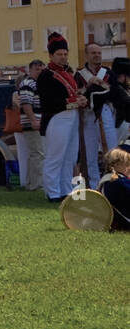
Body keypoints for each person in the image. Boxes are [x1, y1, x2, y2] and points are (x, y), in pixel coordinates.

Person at [36, 33, 87, 202]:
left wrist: (80, 98)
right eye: (59, 54)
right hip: (56, 118)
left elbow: (71, 94)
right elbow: (49, 101)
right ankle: (52, 192)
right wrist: (74, 101)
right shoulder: (46, 75)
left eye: (65, 54)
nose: (63, 57)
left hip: (70, 116)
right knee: (55, 157)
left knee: (70, 157)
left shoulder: (67, 73)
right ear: (51, 55)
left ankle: (65, 190)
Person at [77, 42, 114, 185]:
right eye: (93, 53)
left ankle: (112, 182)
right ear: (86, 55)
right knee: (90, 151)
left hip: (105, 112)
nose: (97, 55)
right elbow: (77, 93)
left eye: (99, 53)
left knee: (111, 149)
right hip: (88, 114)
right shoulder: (79, 75)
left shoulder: (108, 73)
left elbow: (114, 93)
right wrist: (89, 86)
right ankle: (94, 185)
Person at [14, 59, 45, 191]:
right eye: (37, 69)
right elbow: (26, 104)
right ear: (30, 70)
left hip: (39, 122)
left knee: (37, 154)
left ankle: (34, 182)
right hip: (33, 124)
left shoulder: (38, 84)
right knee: (37, 154)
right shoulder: (27, 84)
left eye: (42, 69)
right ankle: (36, 185)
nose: (40, 72)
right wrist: (33, 120)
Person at [100, 147, 130, 232]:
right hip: (125, 222)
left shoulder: (108, 181)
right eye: (127, 164)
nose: (129, 167)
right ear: (117, 165)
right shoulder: (118, 182)